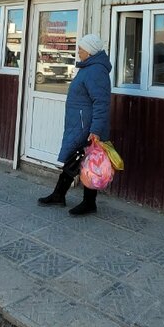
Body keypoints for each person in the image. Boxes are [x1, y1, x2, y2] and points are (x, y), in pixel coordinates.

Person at [37, 33, 111, 216]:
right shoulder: (89, 67)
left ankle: (88, 202)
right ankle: (59, 195)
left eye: (81, 49)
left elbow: (101, 103)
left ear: (90, 51)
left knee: (87, 163)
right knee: (75, 159)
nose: (78, 52)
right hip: (79, 123)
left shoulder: (96, 71)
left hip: (86, 126)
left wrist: (95, 130)